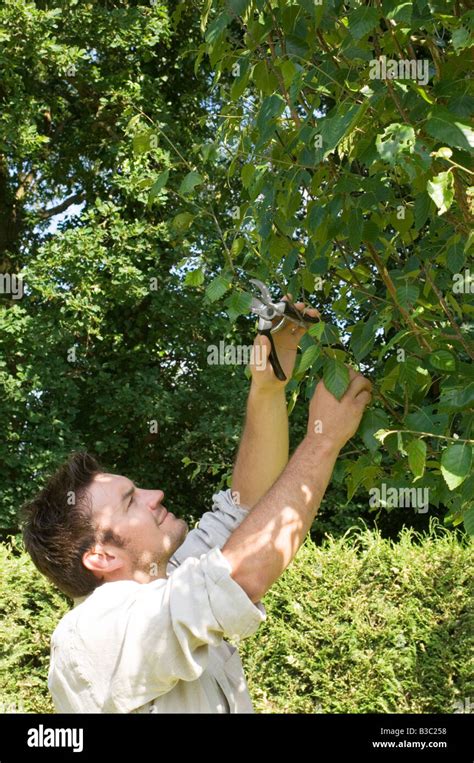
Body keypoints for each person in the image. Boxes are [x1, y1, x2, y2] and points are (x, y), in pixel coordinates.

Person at [20, 301, 372, 713]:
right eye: (132, 501)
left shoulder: (166, 585)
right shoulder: (92, 632)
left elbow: (244, 511)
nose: (156, 496)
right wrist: (322, 441)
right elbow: (239, 577)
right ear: (101, 555)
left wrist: (268, 385)